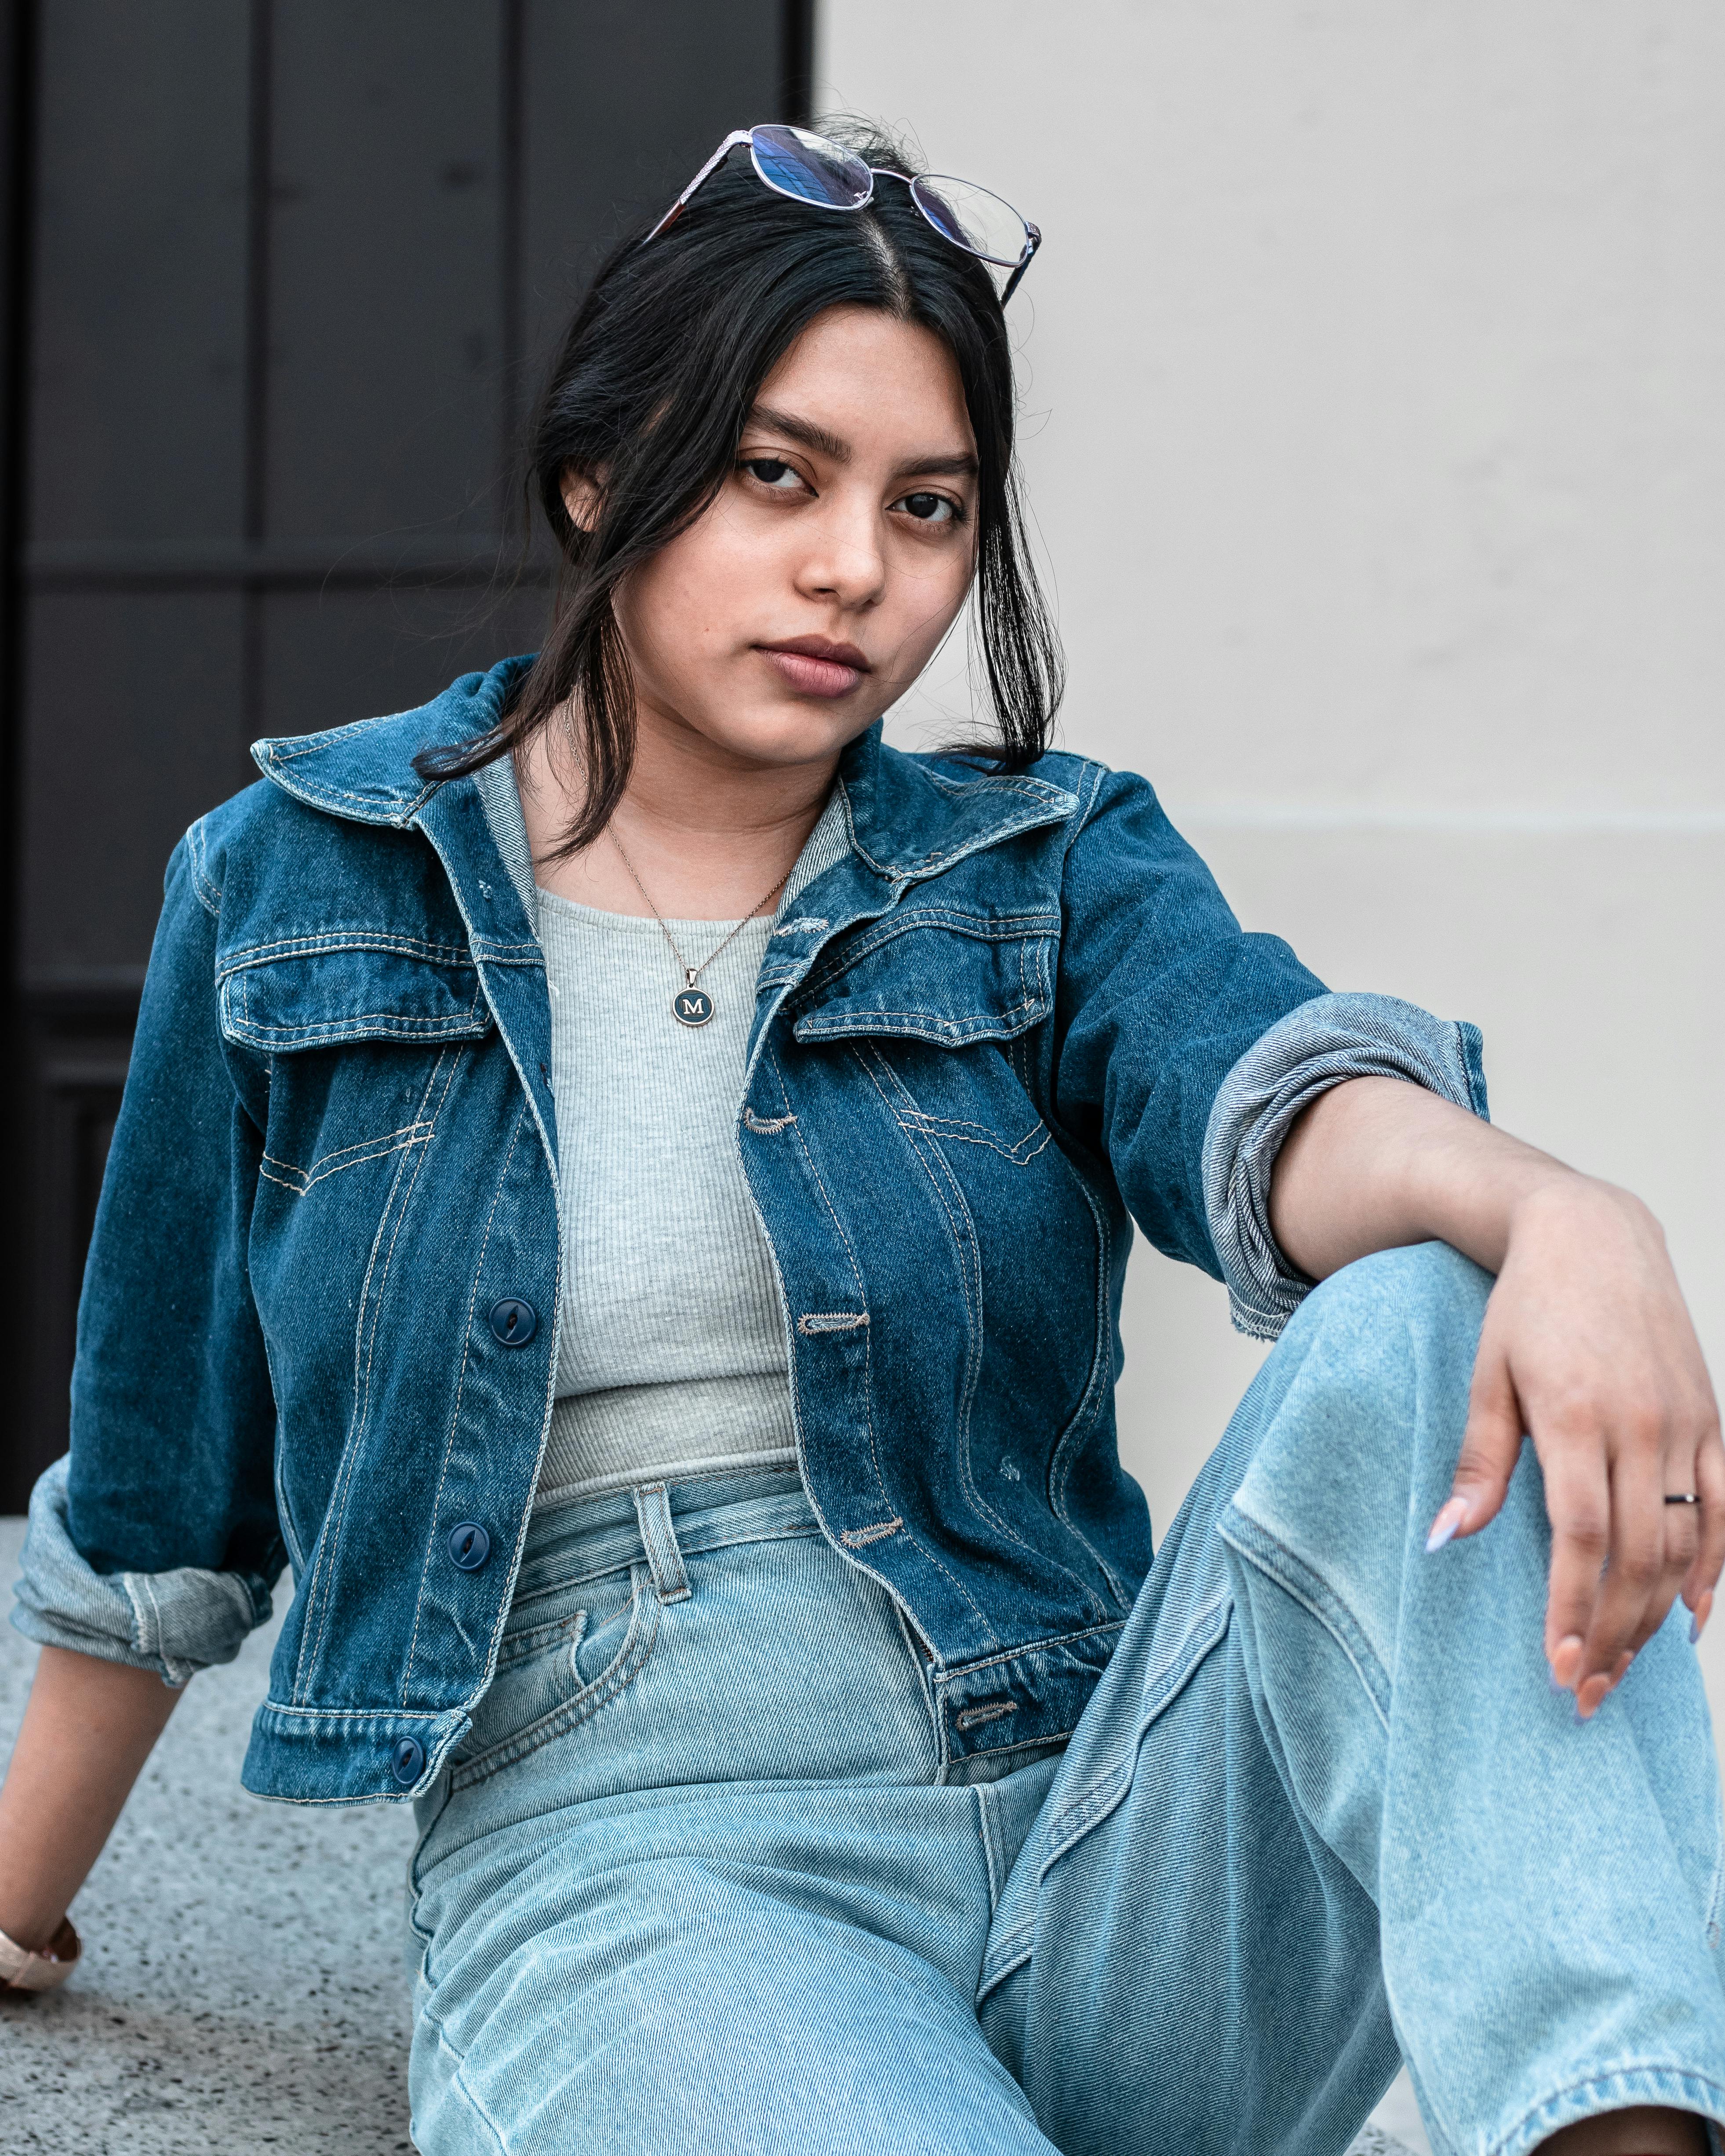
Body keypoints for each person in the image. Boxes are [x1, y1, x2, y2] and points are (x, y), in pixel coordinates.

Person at [0, 119, 1720, 2156]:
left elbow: (1262, 1106)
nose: (856, 573)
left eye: (930, 508)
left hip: (1107, 1830)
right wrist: (21, 1893)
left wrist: (1567, 1217)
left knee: (1441, 1302)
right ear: (597, 471)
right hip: (652, 1874)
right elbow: (163, 1489)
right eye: (775, 476)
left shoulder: (1043, 866)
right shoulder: (299, 882)